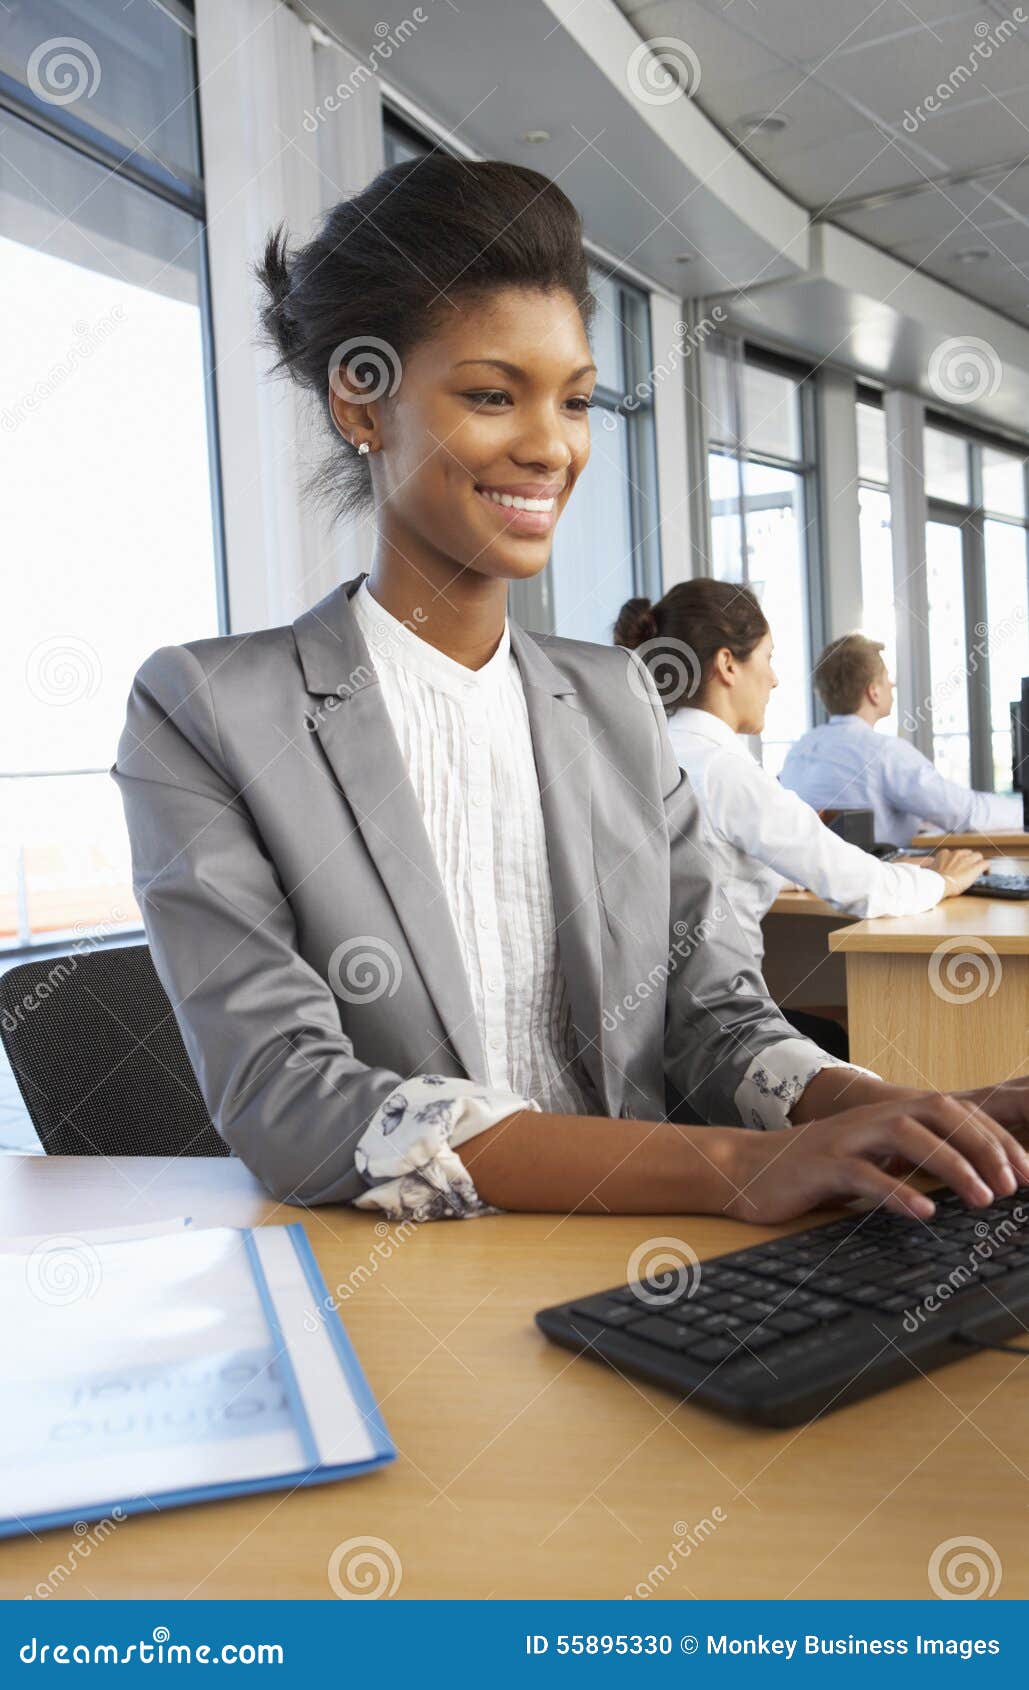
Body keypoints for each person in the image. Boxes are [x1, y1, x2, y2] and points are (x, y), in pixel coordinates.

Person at [111, 154, 1029, 1230]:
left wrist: (889, 1112)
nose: (551, 445)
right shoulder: (209, 707)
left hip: (638, 1259)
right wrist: (735, 1169)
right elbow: (292, 1095)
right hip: (409, 1296)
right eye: (493, 394)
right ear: (361, 403)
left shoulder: (618, 703)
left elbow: (711, 1016)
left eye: (579, 399)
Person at [613, 581, 987, 1058]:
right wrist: (943, 883)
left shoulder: (652, 750)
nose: (774, 680)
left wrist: (894, 869)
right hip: (719, 1031)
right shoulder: (728, 770)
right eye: (768, 658)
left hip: (652, 1028)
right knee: (848, 1044)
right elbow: (864, 890)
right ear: (728, 664)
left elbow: (707, 869)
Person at [780, 633, 1024, 846]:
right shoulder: (883, 752)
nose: (892, 684)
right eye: (886, 677)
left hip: (812, 891)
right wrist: (1025, 810)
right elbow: (965, 812)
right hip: (877, 887)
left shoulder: (798, 751)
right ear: (873, 691)